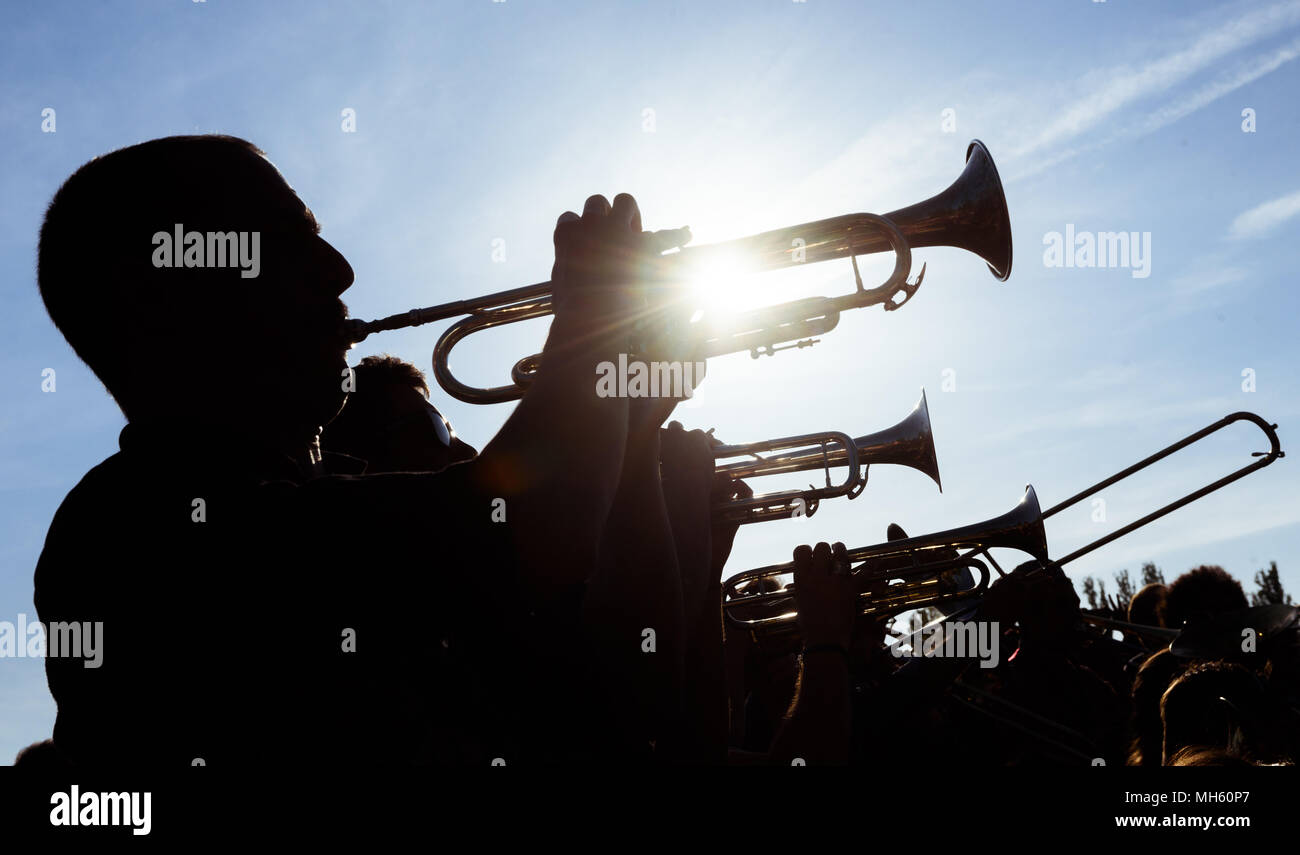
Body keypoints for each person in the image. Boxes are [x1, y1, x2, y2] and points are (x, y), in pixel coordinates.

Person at [33, 134, 706, 765]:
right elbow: (539, 524)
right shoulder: (136, 524)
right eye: (286, 243)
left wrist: (636, 422)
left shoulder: (328, 499)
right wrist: (593, 323)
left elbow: (633, 711)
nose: (339, 269)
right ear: (170, 300)